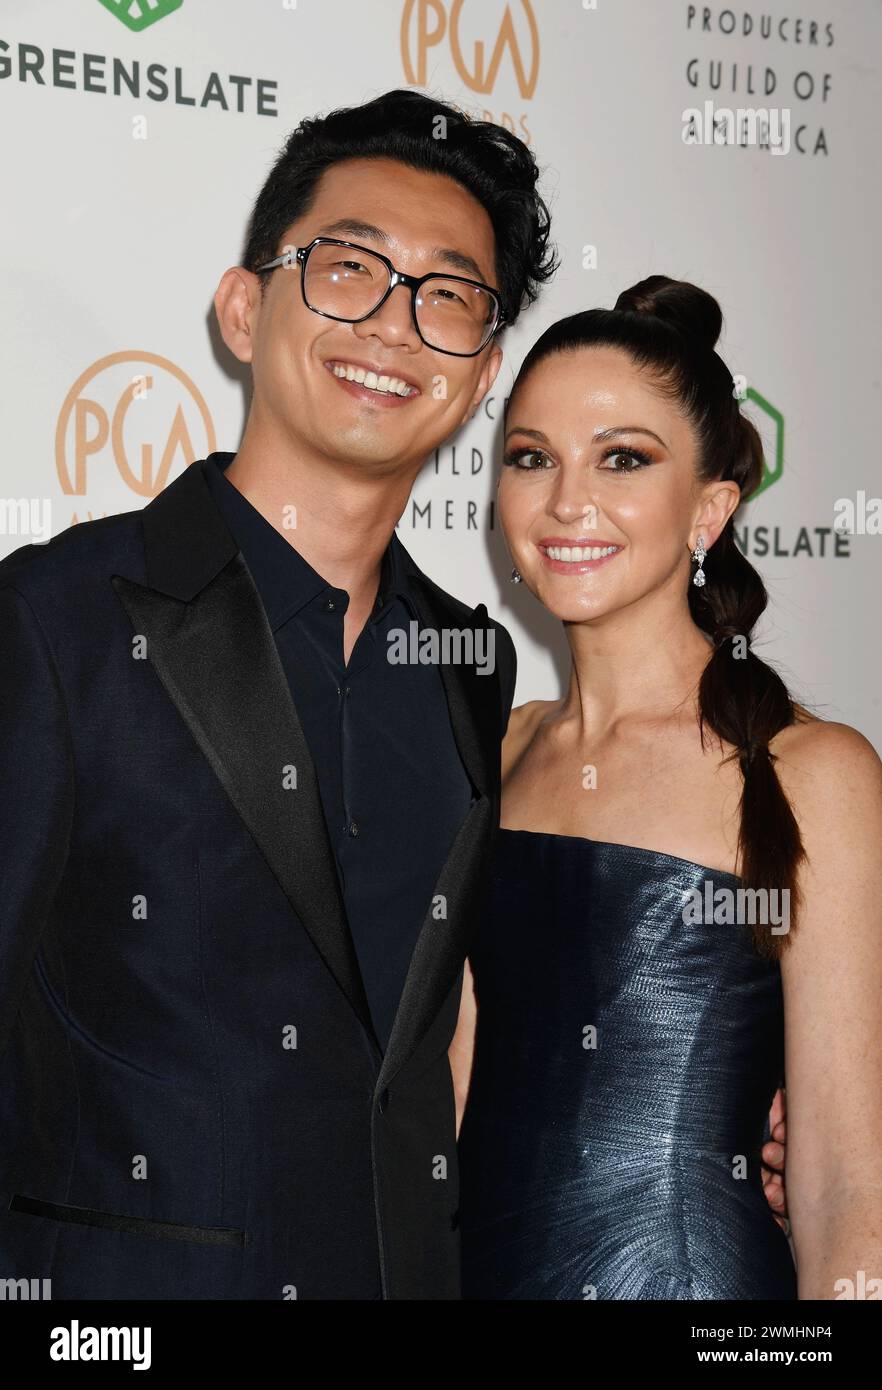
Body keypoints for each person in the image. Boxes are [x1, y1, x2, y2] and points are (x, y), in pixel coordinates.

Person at [0, 88, 553, 1300]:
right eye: (349, 268)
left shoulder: (470, 663)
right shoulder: (58, 618)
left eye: (448, 296)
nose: (395, 325)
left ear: (482, 371)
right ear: (246, 309)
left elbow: (419, 1044)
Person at [452, 277, 882, 1299]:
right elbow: (452, 1096)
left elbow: (845, 1186)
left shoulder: (813, 773)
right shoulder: (488, 748)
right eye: (531, 458)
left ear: (710, 508)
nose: (566, 500)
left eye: (623, 459)